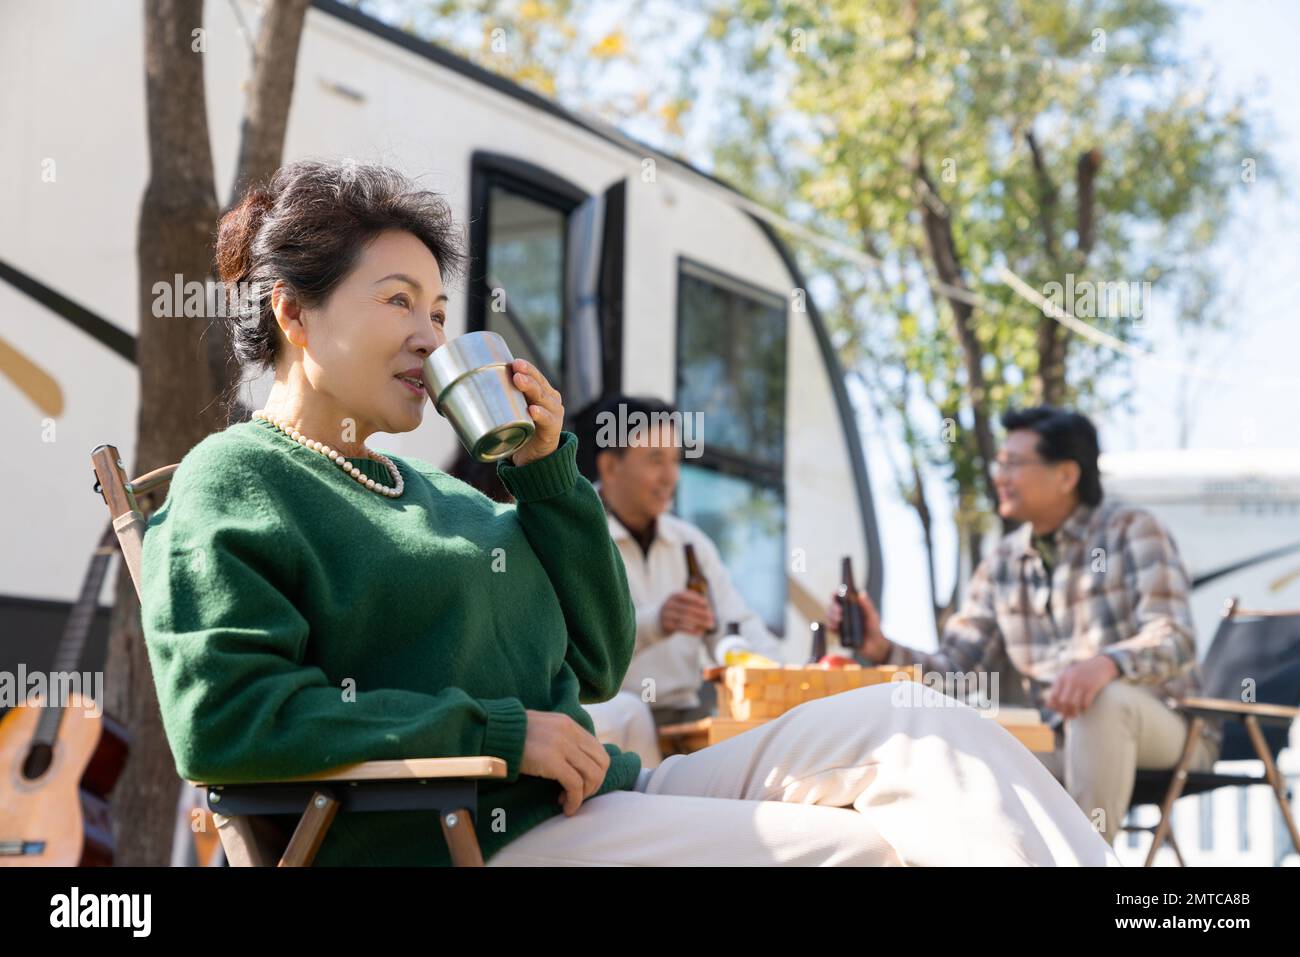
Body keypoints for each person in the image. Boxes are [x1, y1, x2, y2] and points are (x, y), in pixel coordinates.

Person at [140, 159, 1117, 865]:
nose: (431, 338)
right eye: (400, 302)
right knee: (858, 854)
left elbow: (596, 658)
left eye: (439, 311)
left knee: (922, 727)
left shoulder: (437, 491)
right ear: (292, 314)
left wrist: (547, 474)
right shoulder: (237, 476)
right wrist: (497, 732)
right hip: (464, 833)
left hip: (594, 798)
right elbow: (226, 720)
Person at [830, 405, 1220, 845]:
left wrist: (1106, 664)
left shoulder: (1134, 531)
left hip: (1173, 730)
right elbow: (955, 672)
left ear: (1066, 476)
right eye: (999, 463)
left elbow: (1175, 638)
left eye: (1014, 463)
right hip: (1059, 740)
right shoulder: (1001, 562)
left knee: (1101, 700)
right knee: (954, 759)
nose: (999, 475)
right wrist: (880, 648)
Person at [571, 395, 786, 766]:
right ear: (610, 466)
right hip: (607, 720)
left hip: (685, 718)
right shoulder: (575, 535)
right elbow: (578, 649)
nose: (671, 477)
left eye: (675, 461)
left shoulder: (690, 542)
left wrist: (787, 675)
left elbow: (737, 626)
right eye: (656, 460)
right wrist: (658, 622)